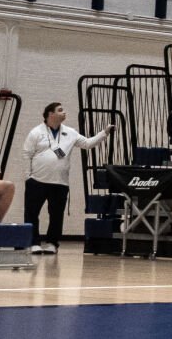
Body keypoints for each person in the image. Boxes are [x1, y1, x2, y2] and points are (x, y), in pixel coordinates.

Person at [21, 102, 113, 254]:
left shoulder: (70, 132)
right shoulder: (36, 132)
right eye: (60, 110)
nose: (64, 112)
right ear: (50, 114)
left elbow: (88, 143)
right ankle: (33, 243)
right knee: (31, 213)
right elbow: (27, 154)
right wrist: (28, 177)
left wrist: (104, 133)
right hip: (37, 181)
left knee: (56, 215)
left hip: (60, 182)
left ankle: (52, 243)